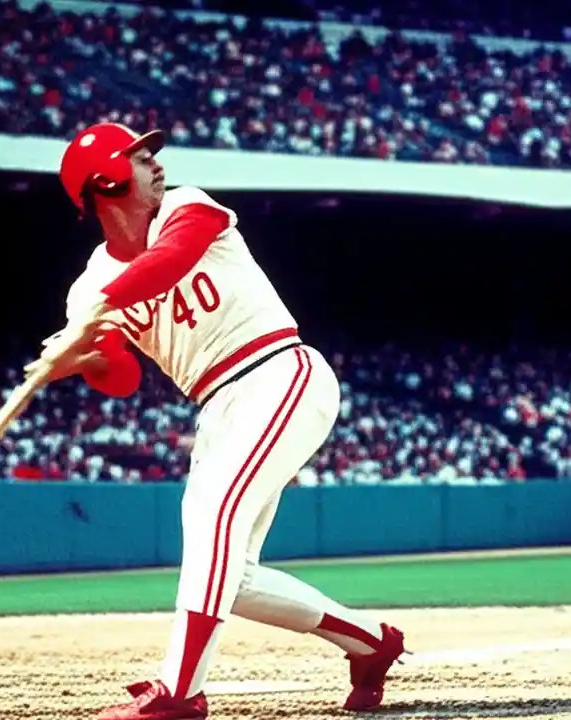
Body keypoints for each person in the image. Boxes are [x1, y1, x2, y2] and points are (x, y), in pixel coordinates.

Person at [31, 124, 409, 720]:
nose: (156, 164)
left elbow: (169, 260)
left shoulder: (187, 206)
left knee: (212, 522)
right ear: (105, 180)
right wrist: (83, 357)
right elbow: (123, 376)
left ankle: (179, 692)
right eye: (139, 157)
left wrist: (94, 319)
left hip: (280, 372)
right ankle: (368, 643)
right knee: (230, 574)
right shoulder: (90, 289)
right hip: (218, 407)